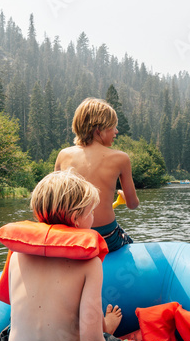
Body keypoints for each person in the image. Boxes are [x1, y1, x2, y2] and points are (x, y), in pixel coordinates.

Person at [2, 169, 122, 341]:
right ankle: (108, 327)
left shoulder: (17, 254)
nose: (93, 218)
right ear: (76, 219)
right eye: (91, 212)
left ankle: (106, 326)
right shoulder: (89, 264)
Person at [55, 97, 139, 252]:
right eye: (113, 127)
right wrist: (126, 198)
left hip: (73, 236)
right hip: (106, 237)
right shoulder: (121, 158)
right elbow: (133, 205)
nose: (116, 131)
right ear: (99, 130)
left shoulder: (63, 155)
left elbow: (55, 203)